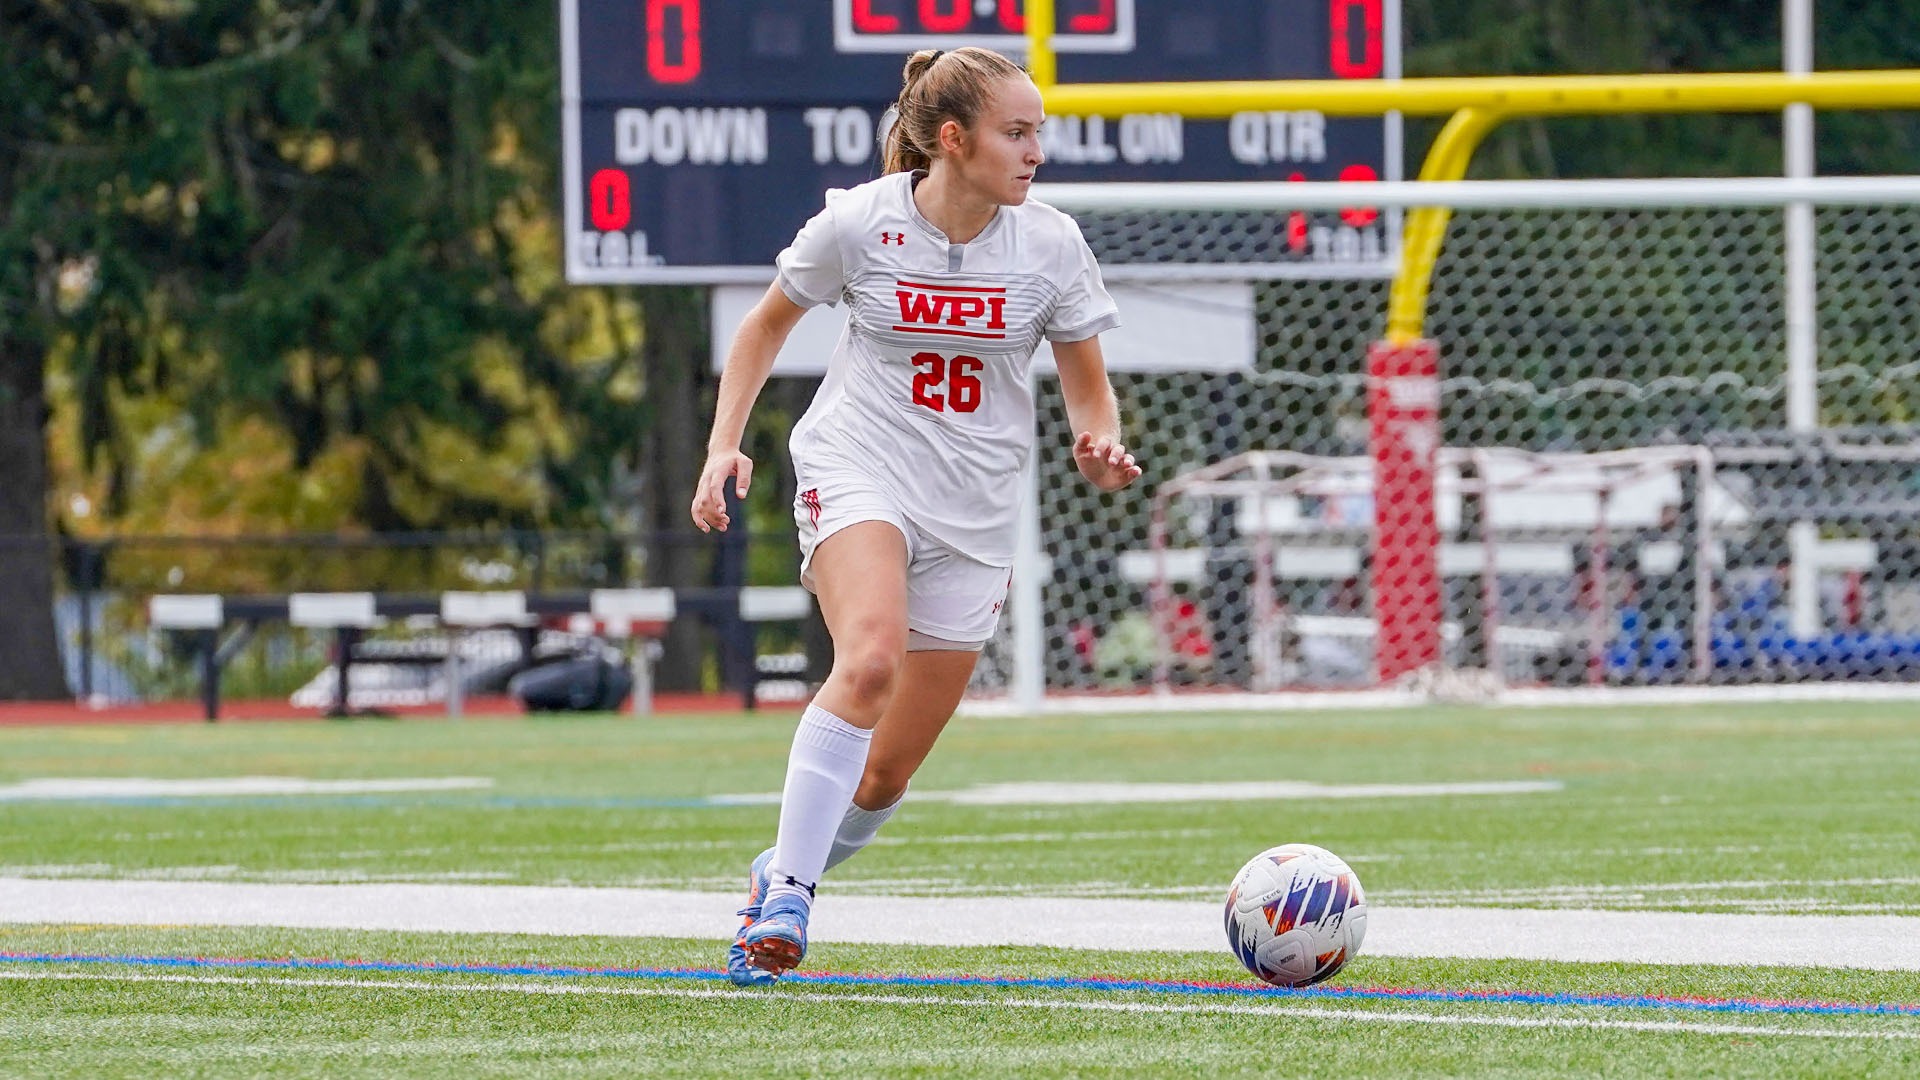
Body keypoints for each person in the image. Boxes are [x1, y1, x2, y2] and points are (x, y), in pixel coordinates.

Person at [690, 46, 1141, 986]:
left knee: (884, 779)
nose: (1035, 152)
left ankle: (783, 869)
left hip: (975, 512)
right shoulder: (859, 222)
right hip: (861, 467)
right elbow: (765, 324)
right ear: (952, 139)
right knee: (868, 659)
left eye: (1037, 133)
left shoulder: (1051, 244)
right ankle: (788, 907)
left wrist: (1099, 450)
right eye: (1017, 134)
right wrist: (723, 443)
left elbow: (1089, 398)